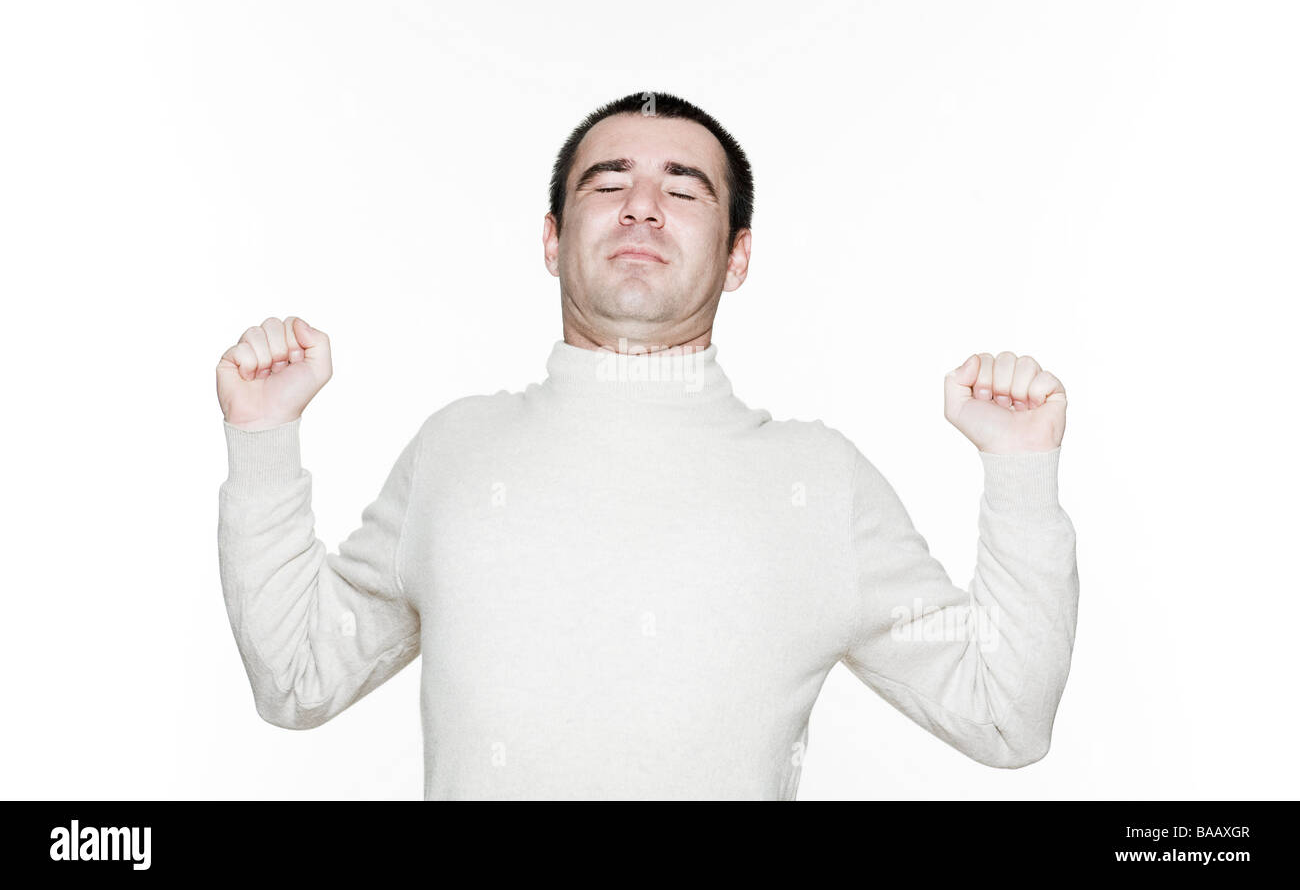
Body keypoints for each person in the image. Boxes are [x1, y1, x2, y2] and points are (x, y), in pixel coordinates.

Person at [214, 91, 1077, 800]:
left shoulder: (819, 482)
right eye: (607, 182)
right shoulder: (456, 451)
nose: (642, 206)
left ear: (738, 257)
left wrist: (1022, 475)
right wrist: (262, 441)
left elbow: (1005, 717)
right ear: (552, 240)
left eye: (685, 189)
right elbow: (298, 679)